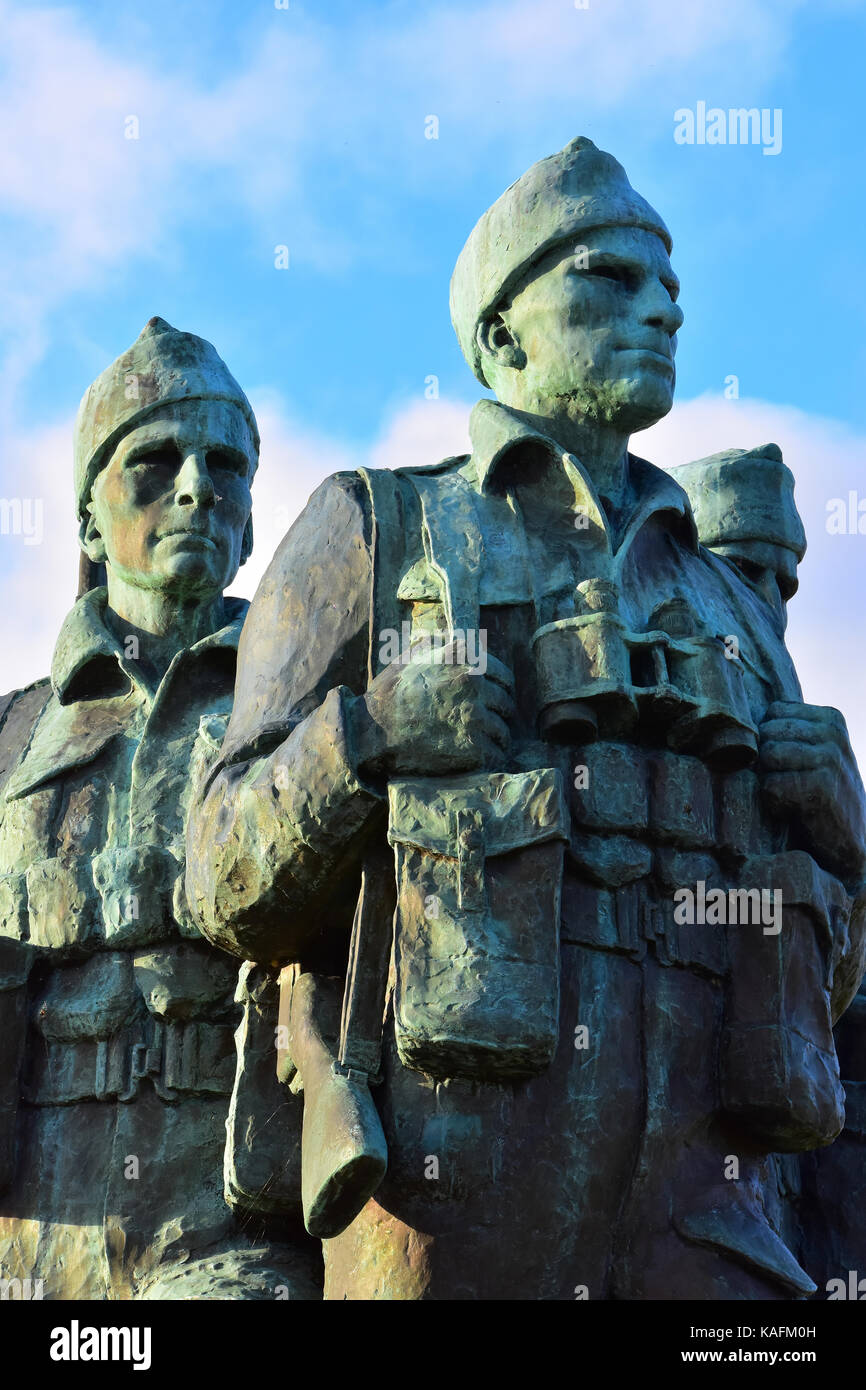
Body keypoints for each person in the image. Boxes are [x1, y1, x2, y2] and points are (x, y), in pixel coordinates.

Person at [186, 140, 866, 1300]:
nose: (660, 310)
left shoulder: (728, 607)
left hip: (707, 1213)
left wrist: (842, 831)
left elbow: (825, 969)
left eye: (671, 292)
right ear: (502, 336)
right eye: (611, 278)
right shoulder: (378, 527)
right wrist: (369, 736)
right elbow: (219, 875)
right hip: (449, 1210)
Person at [0, 317, 320, 1299]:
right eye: (154, 461)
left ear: (253, 522)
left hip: (231, 1228)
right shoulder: (11, 739)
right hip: (29, 1238)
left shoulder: (302, 711)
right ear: (90, 520)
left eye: (224, 465)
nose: (194, 486)